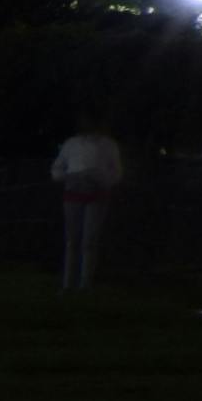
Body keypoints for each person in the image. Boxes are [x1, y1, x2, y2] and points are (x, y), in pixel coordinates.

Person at [49, 112, 126, 295]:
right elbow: (57, 169)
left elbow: (116, 172)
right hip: (74, 193)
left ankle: (84, 284)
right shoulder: (72, 144)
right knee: (73, 240)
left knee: (89, 240)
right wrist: (71, 177)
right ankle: (69, 284)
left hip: (96, 194)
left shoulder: (107, 145)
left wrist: (101, 180)